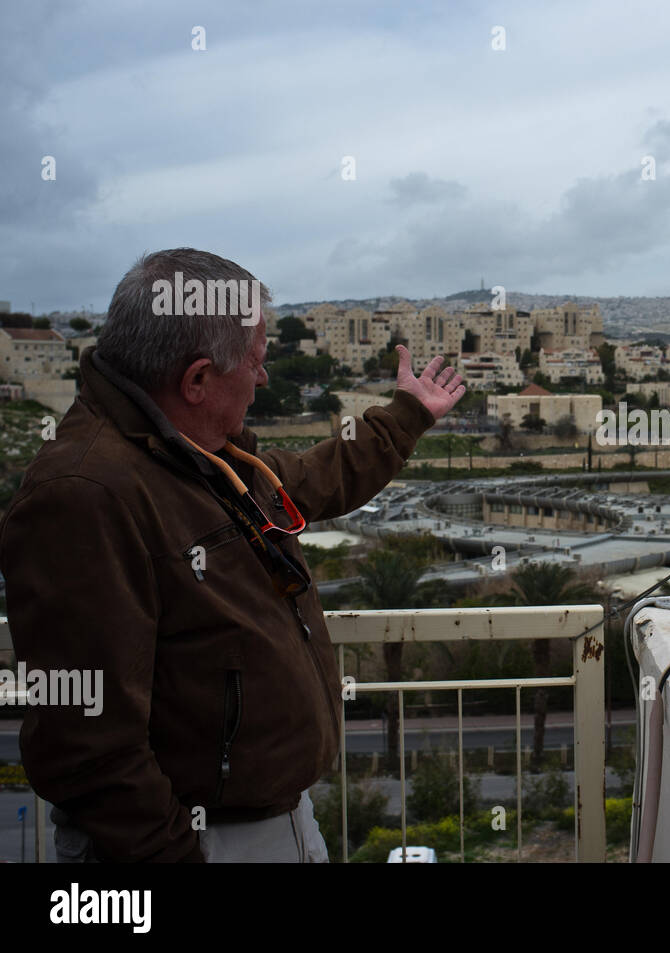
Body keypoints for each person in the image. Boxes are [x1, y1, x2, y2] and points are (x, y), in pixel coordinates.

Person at [0, 248, 465, 862]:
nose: (263, 378)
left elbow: (305, 483)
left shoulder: (191, 452)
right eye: (256, 362)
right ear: (196, 381)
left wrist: (403, 419)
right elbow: (89, 748)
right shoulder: (85, 496)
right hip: (200, 841)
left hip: (270, 823)